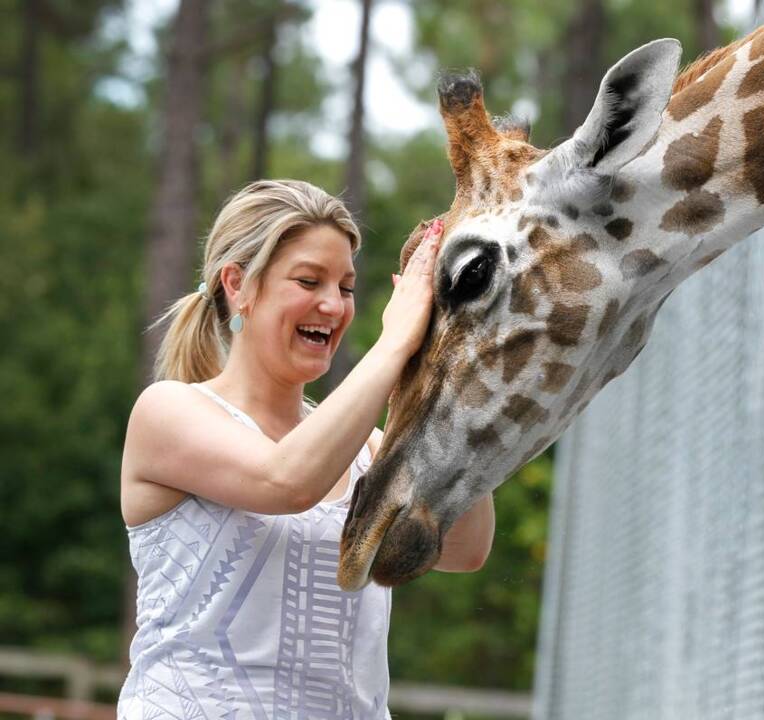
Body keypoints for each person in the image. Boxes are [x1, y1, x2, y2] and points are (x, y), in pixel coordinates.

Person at [117, 179, 495, 719]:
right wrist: (392, 345)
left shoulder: (365, 448)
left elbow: (463, 548)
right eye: (308, 280)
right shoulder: (168, 413)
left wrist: (443, 379)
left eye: (345, 286)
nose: (333, 305)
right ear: (238, 285)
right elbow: (286, 482)